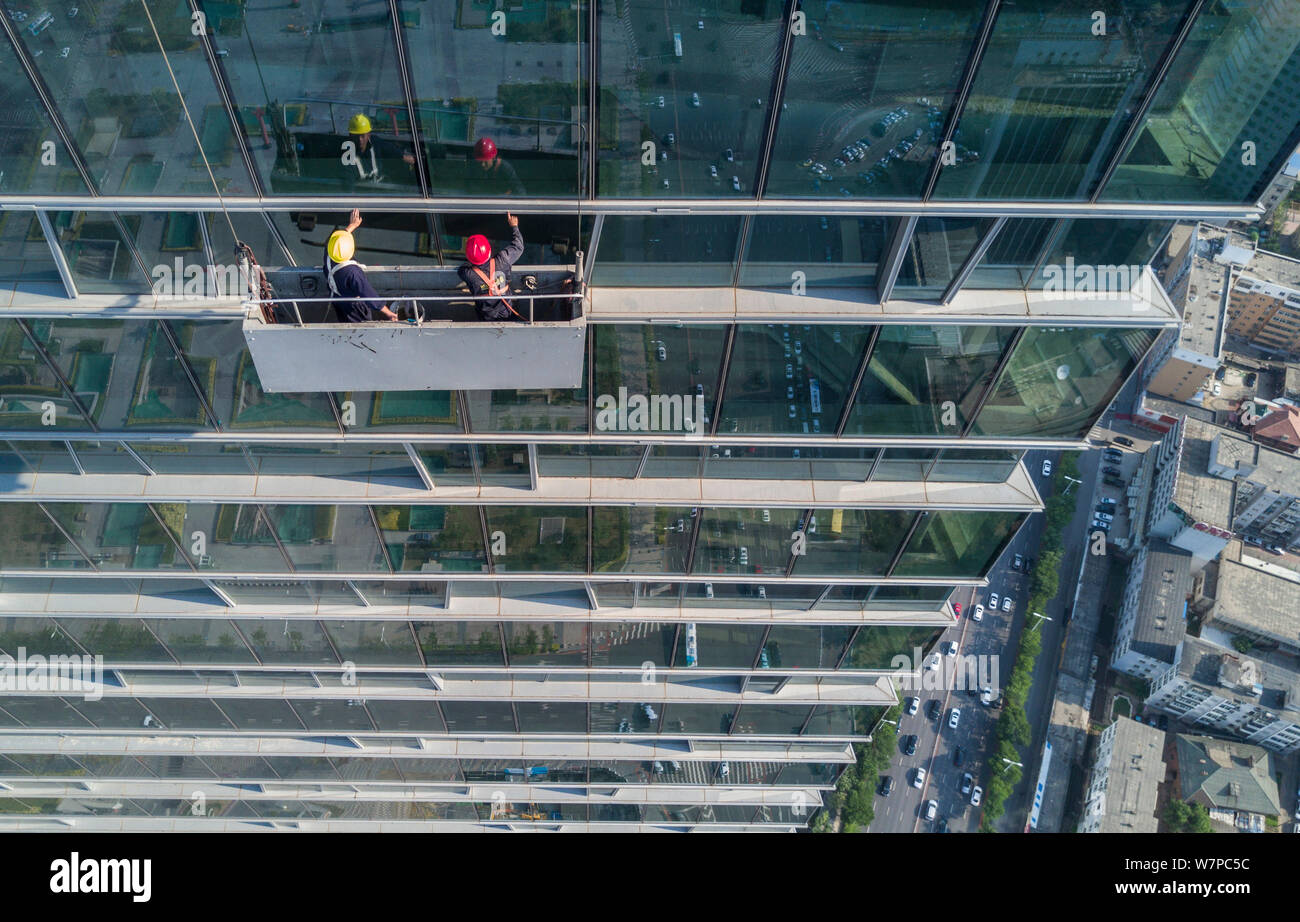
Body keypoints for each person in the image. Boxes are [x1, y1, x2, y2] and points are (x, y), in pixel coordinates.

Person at [325, 210, 400, 323]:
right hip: (353, 307)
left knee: (343, 320)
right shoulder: (353, 273)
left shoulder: (329, 252)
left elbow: (337, 241)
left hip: (337, 298)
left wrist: (351, 226)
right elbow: (369, 295)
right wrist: (389, 313)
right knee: (360, 327)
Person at [457, 213, 525, 322]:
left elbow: (461, 270)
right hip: (507, 309)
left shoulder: (468, 274)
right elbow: (518, 247)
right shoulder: (502, 260)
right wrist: (514, 226)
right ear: (489, 250)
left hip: (486, 315)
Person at [343, 114, 416, 186]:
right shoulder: (346, 156)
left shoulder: (376, 142)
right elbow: (349, 187)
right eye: (356, 136)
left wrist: (408, 158)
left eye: (362, 136)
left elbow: (392, 150)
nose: (359, 140)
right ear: (350, 136)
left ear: (368, 135)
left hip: (380, 187)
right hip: (363, 193)